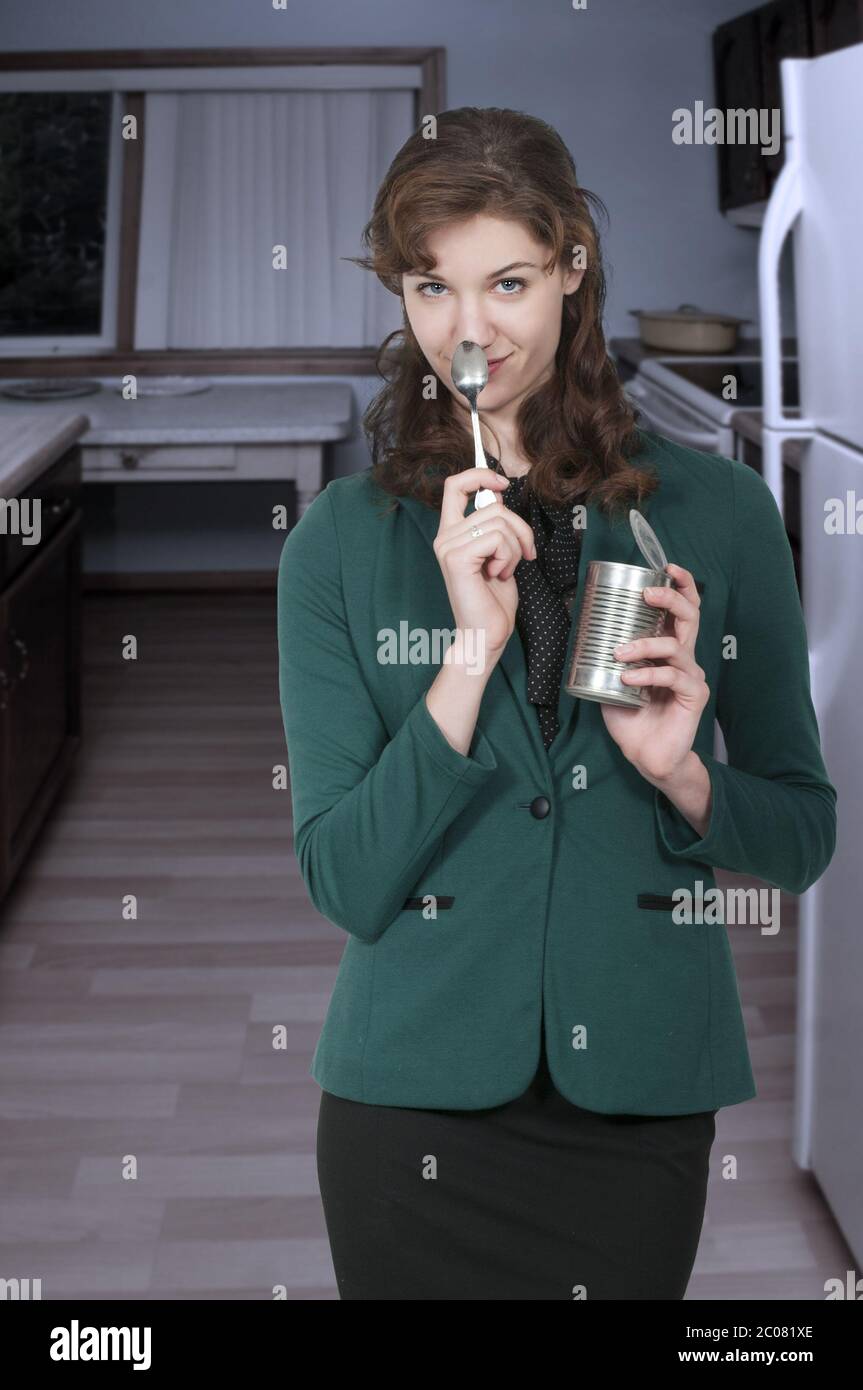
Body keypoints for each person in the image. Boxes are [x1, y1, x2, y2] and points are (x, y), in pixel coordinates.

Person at [276, 107, 837, 1300]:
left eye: (509, 282)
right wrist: (467, 658)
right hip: (409, 1104)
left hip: (635, 1098)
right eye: (430, 288)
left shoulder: (721, 512)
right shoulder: (337, 540)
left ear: (573, 266)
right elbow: (343, 877)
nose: (467, 331)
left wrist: (682, 772)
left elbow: (798, 838)